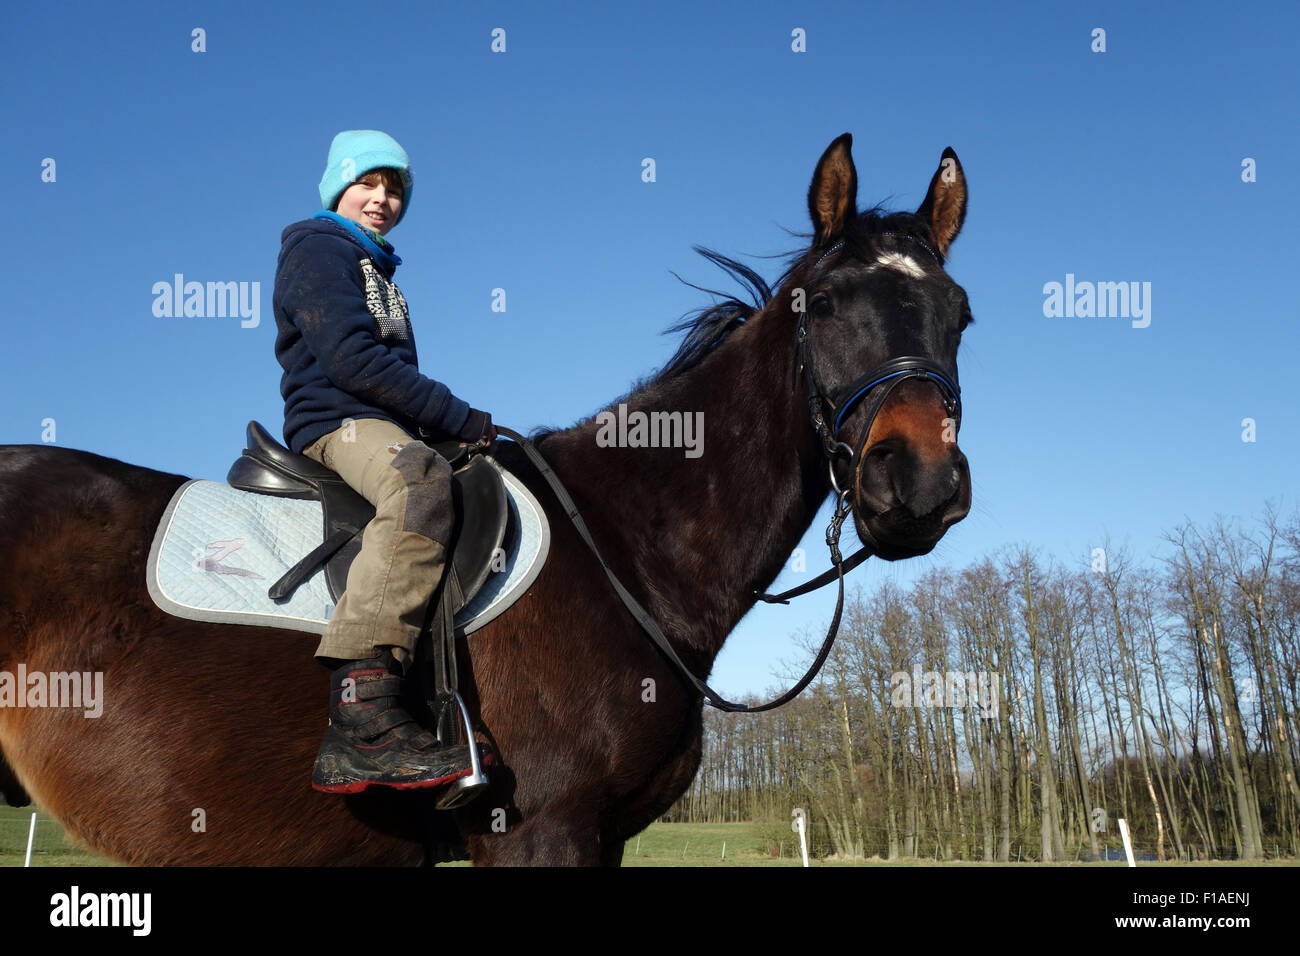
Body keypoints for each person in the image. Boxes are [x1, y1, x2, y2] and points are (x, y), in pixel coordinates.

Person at [272, 130, 495, 794]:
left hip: (380, 421)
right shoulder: (317, 248)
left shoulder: (380, 271)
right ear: (338, 187)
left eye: (395, 189)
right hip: (336, 425)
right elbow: (352, 363)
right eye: (368, 183)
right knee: (419, 479)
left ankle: (434, 701)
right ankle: (362, 713)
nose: (383, 198)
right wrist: (459, 417)